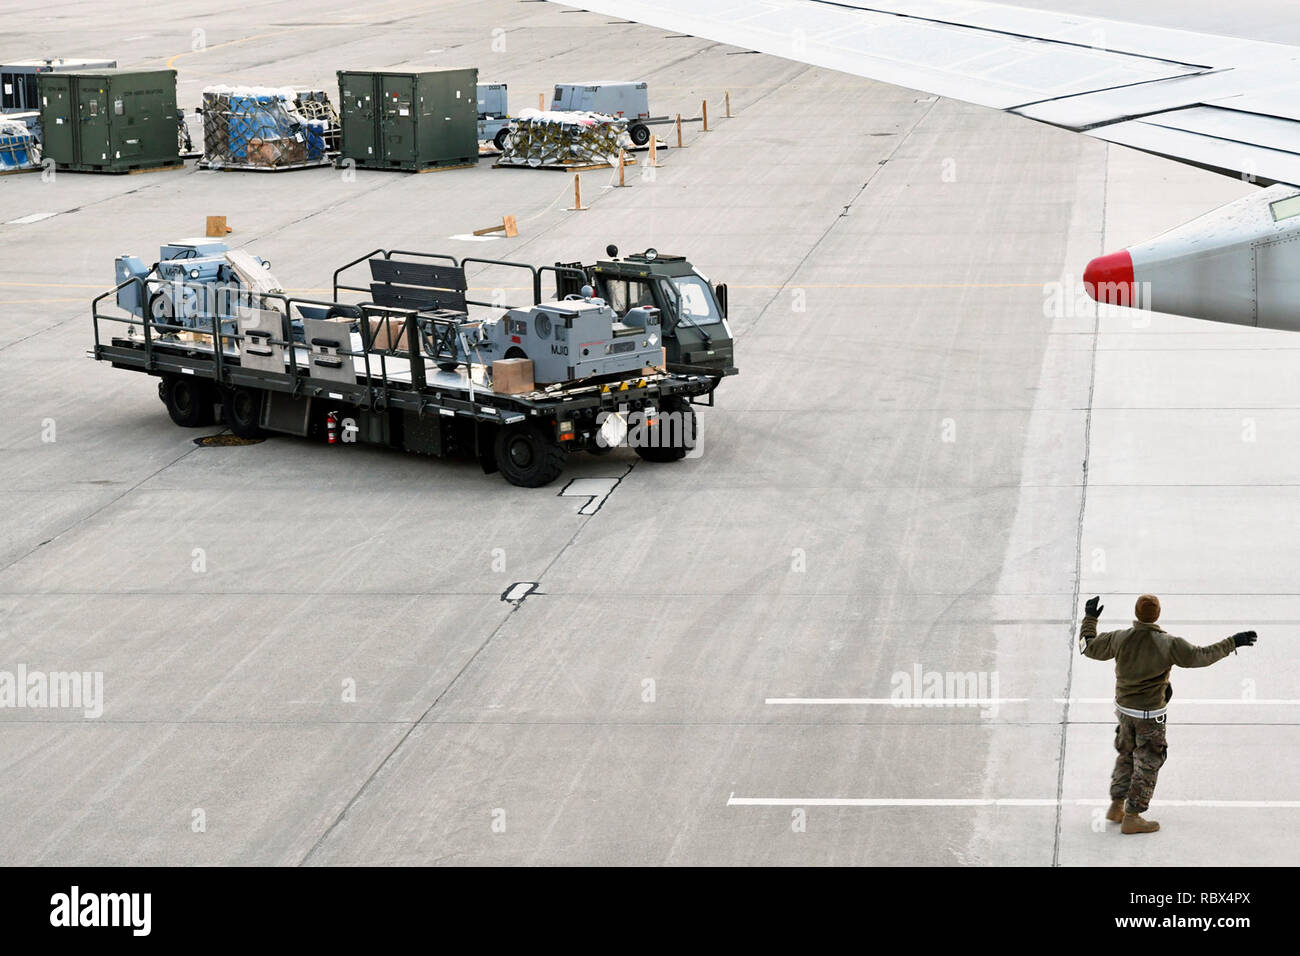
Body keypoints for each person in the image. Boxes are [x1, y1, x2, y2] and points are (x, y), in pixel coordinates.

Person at [1079, 594, 1256, 834]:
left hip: (1123, 710)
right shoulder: (1169, 643)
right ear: (1158, 614)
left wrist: (1090, 618)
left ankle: (1117, 805)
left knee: (1127, 754)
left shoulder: (1120, 638)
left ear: (1136, 613)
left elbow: (1087, 646)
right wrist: (1233, 642)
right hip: (1150, 715)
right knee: (1149, 761)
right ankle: (1133, 816)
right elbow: (1201, 656)